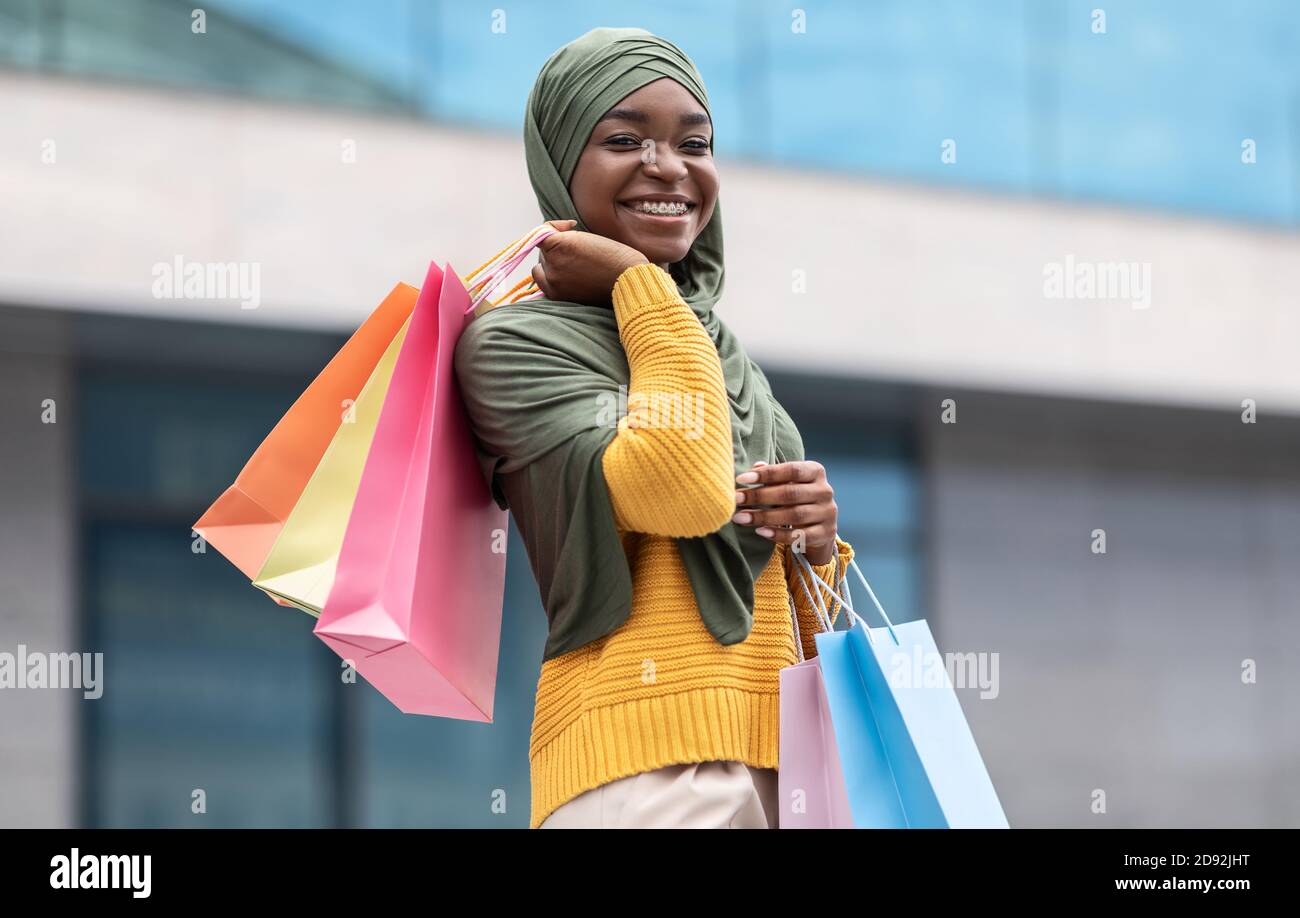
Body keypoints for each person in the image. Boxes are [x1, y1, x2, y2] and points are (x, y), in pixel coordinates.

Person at [453, 26, 855, 829]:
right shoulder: (508, 343)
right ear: (561, 161)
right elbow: (680, 494)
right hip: (639, 770)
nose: (668, 166)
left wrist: (815, 543)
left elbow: (782, 622)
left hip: (785, 775)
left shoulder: (722, 358)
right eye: (624, 138)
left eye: (694, 143)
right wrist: (641, 284)